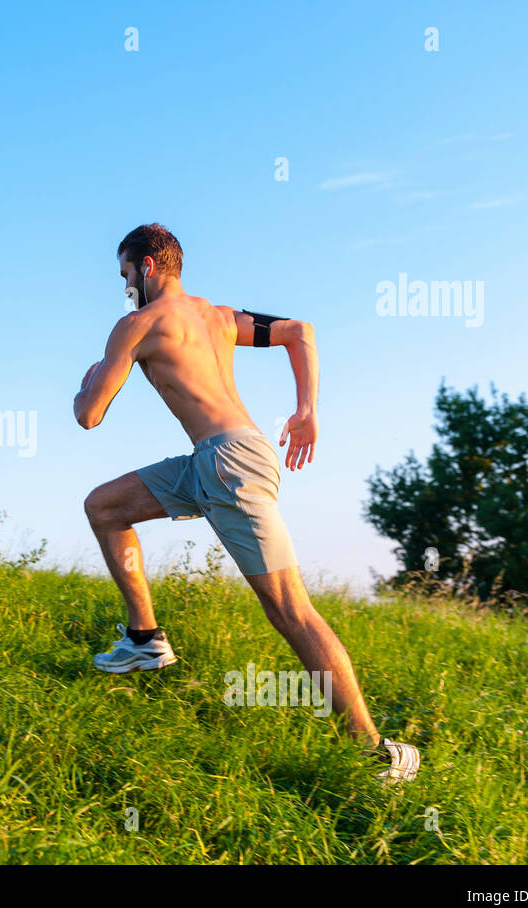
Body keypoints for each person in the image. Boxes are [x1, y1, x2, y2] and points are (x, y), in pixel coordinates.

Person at [73, 223, 419, 782]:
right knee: (105, 507)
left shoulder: (135, 326)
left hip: (228, 467)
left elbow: (89, 415)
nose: (126, 287)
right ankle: (144, 640)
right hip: (220, 460)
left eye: (125, 275)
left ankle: (375, 754)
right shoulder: (218, 317)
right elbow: (299, 331)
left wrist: (87, 382)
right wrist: (306, 409)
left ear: (148, 267)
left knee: (290, 609)